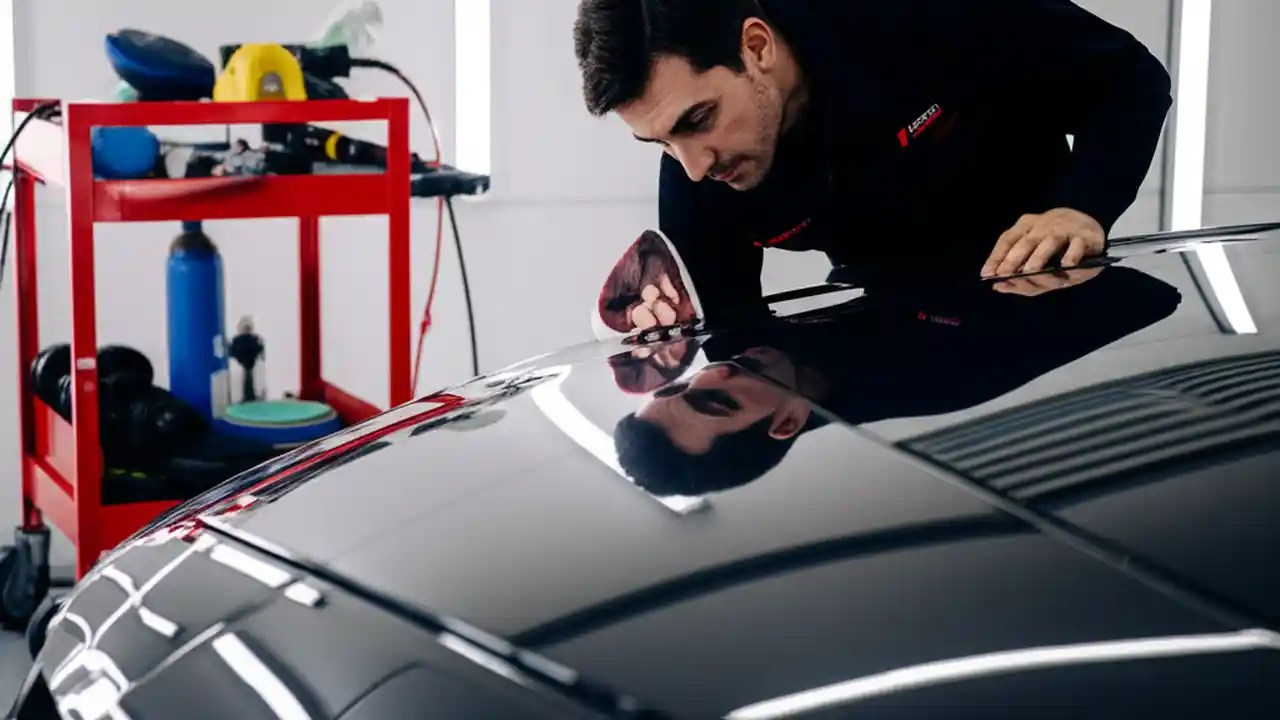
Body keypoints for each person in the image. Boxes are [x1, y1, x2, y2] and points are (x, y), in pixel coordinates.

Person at [574, 0, 1172, 325]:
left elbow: (1128, 77)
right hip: (885, 326)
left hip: (1045, 287)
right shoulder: (699, 171)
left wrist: (1082, 204)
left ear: (757, 47)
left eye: (697, 120)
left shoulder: (918, 13)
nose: (694, 167)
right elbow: (729, 336)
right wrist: (666, 326)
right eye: (660, 144)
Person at [613, 265, 1182, 497]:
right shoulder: (939, 381)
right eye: (716, 402)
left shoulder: (728, 341)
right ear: (786, 422)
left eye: (677, 387)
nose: (712, 372)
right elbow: (1154, 298)